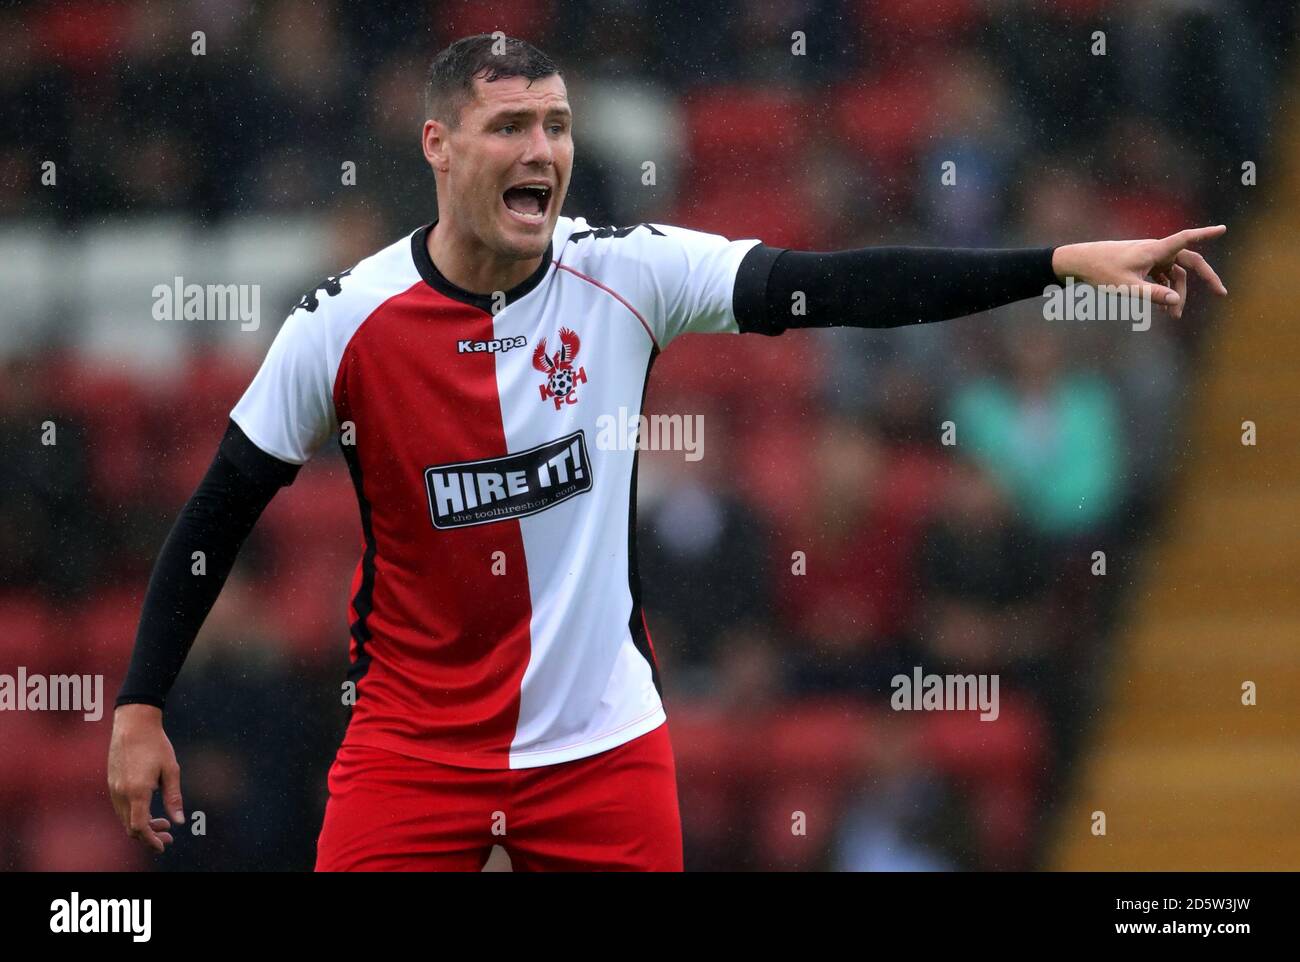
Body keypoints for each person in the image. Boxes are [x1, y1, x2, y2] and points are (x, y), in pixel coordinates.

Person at [107, 33, 1227, 871]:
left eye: (554, 124)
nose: (540, 147)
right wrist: (142, 704)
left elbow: (835, 285)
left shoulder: (624, 273)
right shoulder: (341, 322)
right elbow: (219, 513)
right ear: (437, 148)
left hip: (601, 744)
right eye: (509, 127)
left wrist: (1055, 260)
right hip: (412, 748)